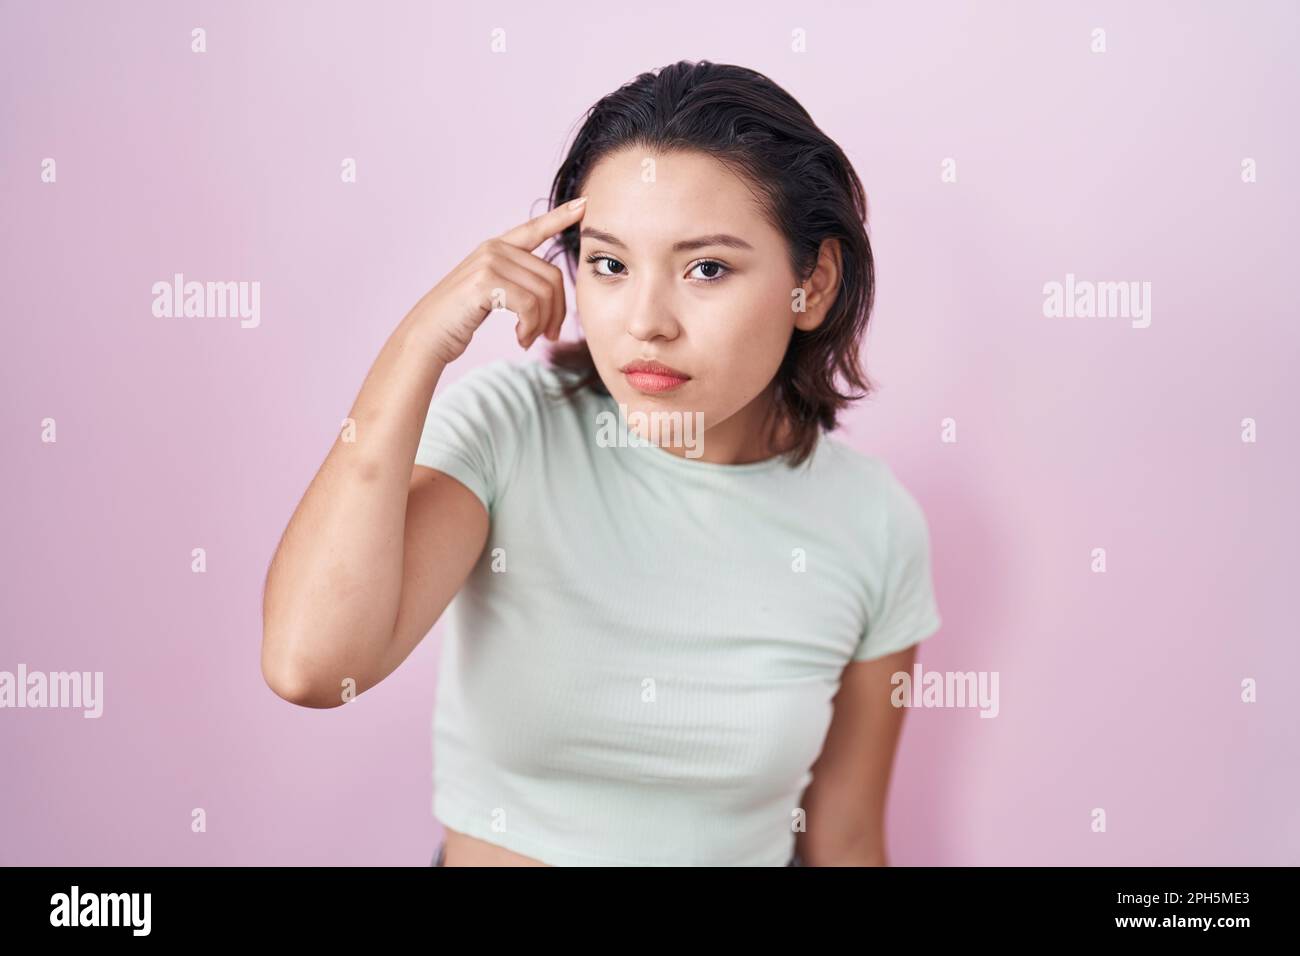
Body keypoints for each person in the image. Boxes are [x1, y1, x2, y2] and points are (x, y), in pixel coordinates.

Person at [262, 60, 942, 867]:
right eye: (610, 264)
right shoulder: (509, 435)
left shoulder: (872, 521)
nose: (645, 323)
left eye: (708, 269)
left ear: (814, 284)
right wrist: (421, 343)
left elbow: (848, 834)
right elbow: (312, 666)